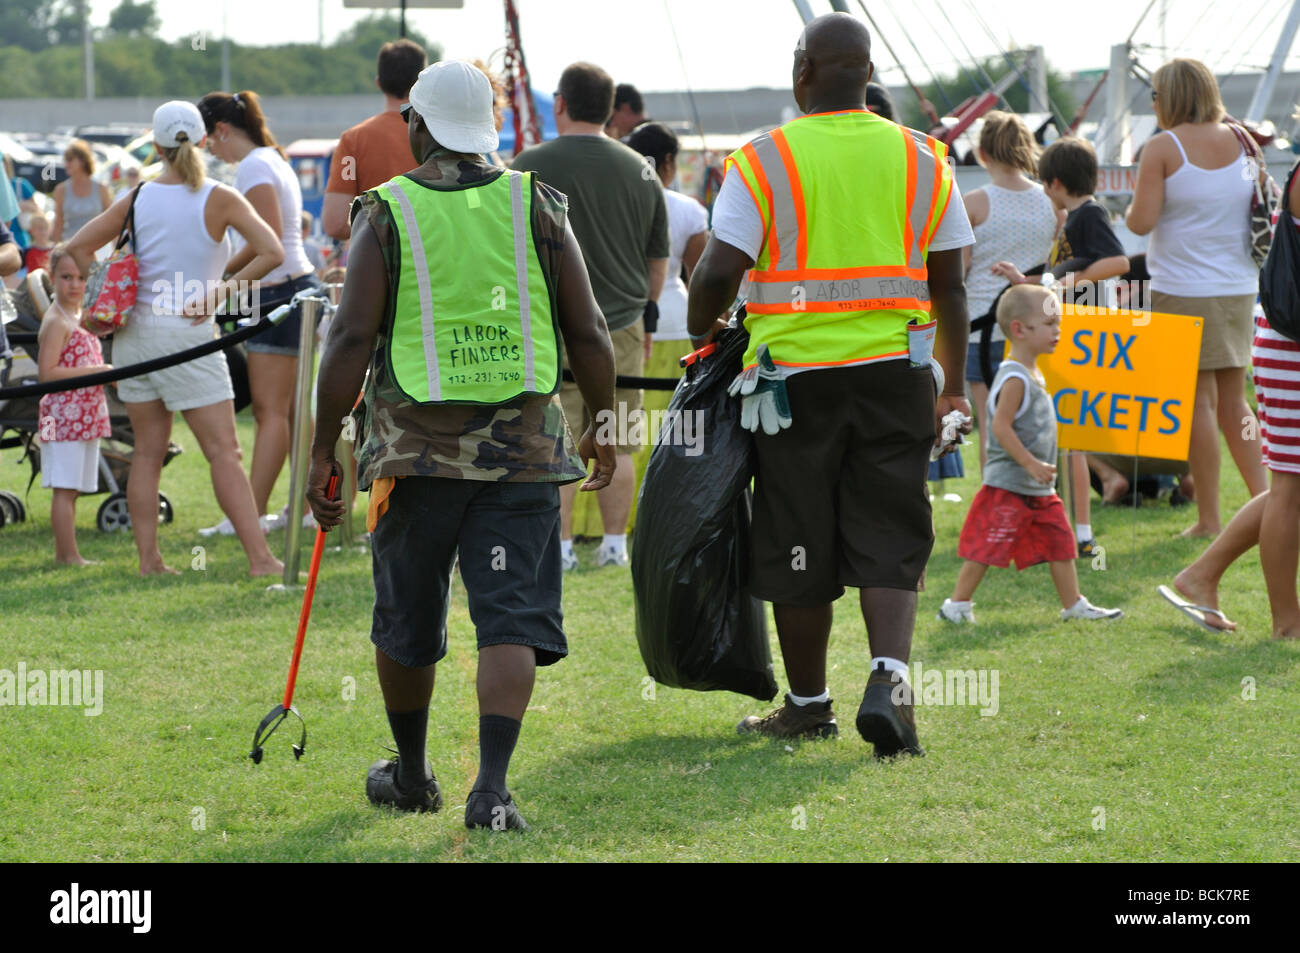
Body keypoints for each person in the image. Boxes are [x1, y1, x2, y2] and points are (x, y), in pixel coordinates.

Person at [305, 60, 617, 829]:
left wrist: (321, 449)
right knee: (510, 614)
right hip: (524, 454)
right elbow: (589, 330)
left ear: (418, 125)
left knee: (409, 615)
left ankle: (411, 775)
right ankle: (494, 789)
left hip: (414, 459)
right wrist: (602, 424)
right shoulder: (536, 202)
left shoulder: (386, 211)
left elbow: (349, 336)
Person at [686, 12, 974, 755]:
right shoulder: (924, 157)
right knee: (889, 529)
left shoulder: (763, 159)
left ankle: (811, 703)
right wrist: (954, 390)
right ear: (869, 72)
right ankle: (888, 682)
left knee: (796, 538)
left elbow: (718, 271)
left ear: (802, 70)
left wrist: (701, 334)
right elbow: (951, 285)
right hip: (898, 374)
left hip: (792, 387)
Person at [65, 101, 285, 577]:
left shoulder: (139, 196)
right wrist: (222, 291)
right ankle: (261, 560)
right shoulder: (219, 196)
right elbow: (273, 251)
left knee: (147, 451)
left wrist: (105, 301)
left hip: (135, 337)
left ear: (157, 144)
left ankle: (150, 561)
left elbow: (76, 248)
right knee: (224, 452)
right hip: (189, 336)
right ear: (205, 140)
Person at [513, 62, 668, 570]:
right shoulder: (640, 168)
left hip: (546, 322)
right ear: (609, 107)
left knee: (553, 442)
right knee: (617, 440)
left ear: (560, 103)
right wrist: (645, 318)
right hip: (620, 323)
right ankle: (615, 546)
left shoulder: (526, 163)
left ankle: (557, 550)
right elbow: (657, 260)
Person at [1161, 141, 1300, 639]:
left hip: (1279, 335)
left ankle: (1201, 575)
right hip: (1292, 344)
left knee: (1292, 486)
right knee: (1289, 485)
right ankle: (1287, 622)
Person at [1125, 57, 1268, 539]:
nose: (1154, 104)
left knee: (1198, 405)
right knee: (1237, 403)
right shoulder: (1246, 141)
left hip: (1183, 288)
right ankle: (1267, 500)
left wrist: (1130, 206)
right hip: (1240, 286)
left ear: (1170, 97)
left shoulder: (1163, 147)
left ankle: (1209, 519)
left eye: (1156, 95)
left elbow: (1140, 222)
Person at [940, 285, 1123, 624]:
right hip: (1008, 484)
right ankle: (956, 605)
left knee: (1060, 541)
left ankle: (1074, 605)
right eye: (1050, 323)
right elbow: (1001, 428)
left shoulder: (1034, 372)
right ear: (1019, 330)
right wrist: (1031, 463)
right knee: (987, 546)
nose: (1058, 330)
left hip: (1037, 487)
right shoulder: (1014, 379)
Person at [991, 136, 1129, 559]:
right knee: (1064, 436)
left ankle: (1079, 533)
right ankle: (1069, 529)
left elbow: (1118, 262)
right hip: (1065, 332)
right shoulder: (1075, 219)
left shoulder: (1089, 215)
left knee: (1070, 438)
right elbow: (1059, 276)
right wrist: (1026, 281)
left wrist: (1069, 282)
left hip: (1081, 333)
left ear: (1053, 183)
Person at [198, 89, 323, 535]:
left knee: (272, 413)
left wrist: (216, 278)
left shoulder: (253, 165)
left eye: (209, 141)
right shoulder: (271, 157)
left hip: (277, 292)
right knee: (288, 412)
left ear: (222, 130)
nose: (209, 151)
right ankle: (306, 509)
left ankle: (248, 514)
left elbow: (263, 240)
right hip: (292, 288)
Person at [962, 112, 1059, 473]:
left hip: (983, 326)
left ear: (982, 153)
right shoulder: (1049, 203)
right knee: (1035, 416)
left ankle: (996, 491)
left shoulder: (973, 203)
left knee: (992, 421)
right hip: (1036, 323)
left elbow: (961, 271)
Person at [624, 121, 708, 501]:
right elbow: (700, 274)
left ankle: (616, 514)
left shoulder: (619, 204)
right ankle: (666, 501)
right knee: (673, 423)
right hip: (677, 320)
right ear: (669, 161)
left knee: (625, 422)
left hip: (625, 320)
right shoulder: (687, 209)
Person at [36, 244, 111, 565]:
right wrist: (99, 371)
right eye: (66, 277)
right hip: (61, 417)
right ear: (52, 278)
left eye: (81, 277)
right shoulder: (57, 321)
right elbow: (47, 374)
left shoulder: (80, 315)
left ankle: (69, 552)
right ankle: (67, 555)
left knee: (74, 488)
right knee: (64, 489)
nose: (75, 284)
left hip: (83, 416)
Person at [321, 38, 427, 241]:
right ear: (420, 83)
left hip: (377, 262)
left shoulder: (353, 140)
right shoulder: (438, 134)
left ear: (379, 82)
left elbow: (335, 223)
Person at [52, 139, 112, 245]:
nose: (67, 164)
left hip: (97, 245)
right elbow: (58, 224)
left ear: (83, 161)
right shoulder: (61, 190)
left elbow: (111, 220)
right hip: (70, 246)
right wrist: (53, 250)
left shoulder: (101, 188)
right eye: (66, 160)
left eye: (70, 160)